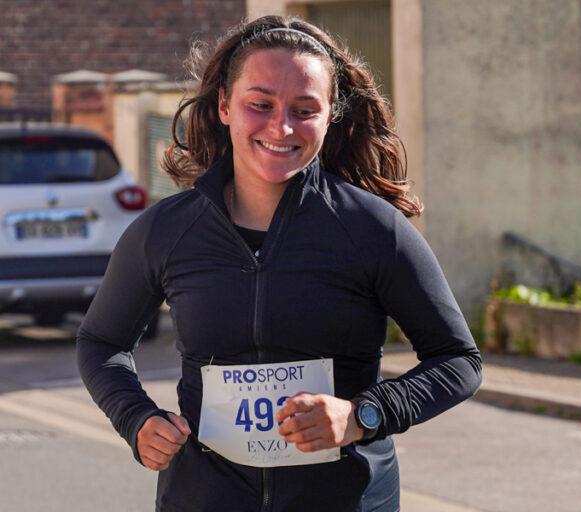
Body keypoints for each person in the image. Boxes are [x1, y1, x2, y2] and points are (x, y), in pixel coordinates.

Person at [76, 14, 482, 512]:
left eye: (304, 109)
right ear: (226, 106)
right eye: (260, 104)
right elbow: (101, 341)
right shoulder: (166, 231)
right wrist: (134, 417)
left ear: (330, 115)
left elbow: (459, 360)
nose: (281, 126)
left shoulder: (371, 228)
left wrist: (364, 415)